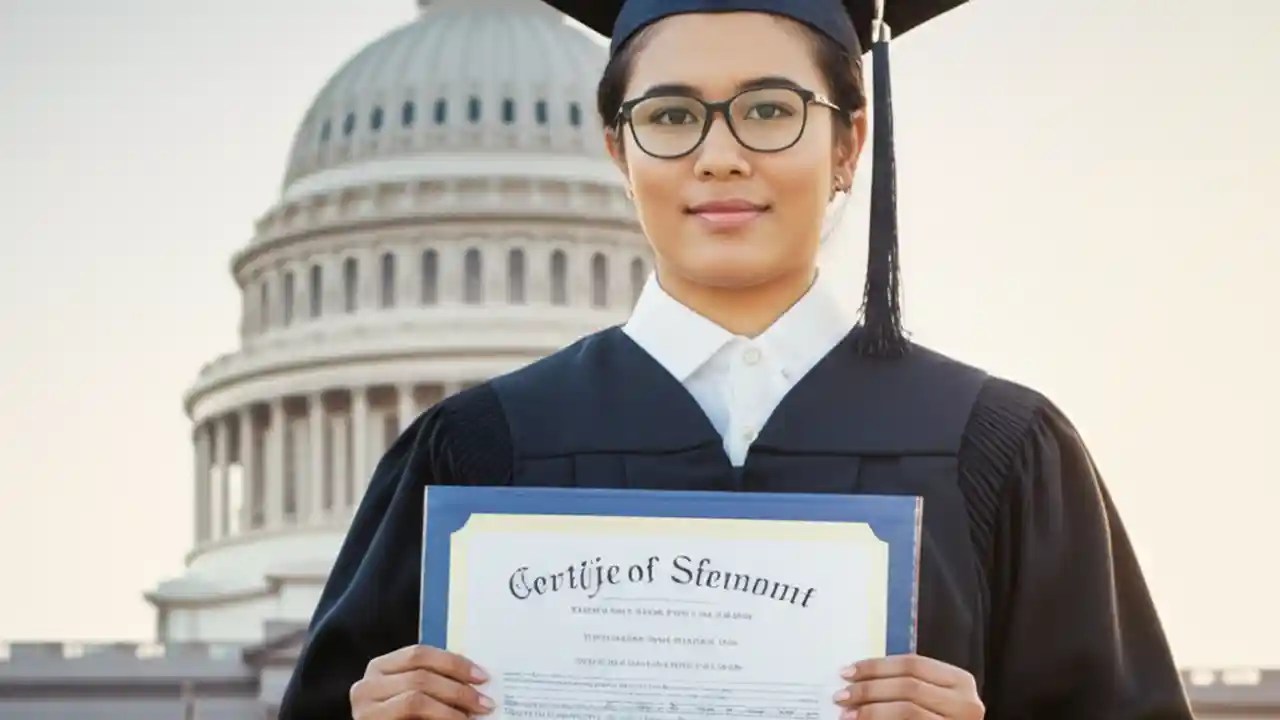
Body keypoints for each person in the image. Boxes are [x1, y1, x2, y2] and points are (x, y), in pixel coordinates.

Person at [278, 0, 1195, 718]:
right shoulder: (478, 452)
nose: (719, 156)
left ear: (848, 143)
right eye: (671, 116)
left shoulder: (1000, 450)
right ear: (618, 151)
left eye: (769, 109)